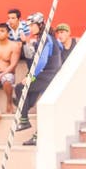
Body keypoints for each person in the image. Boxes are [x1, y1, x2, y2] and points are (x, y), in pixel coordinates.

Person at [13, 12, 62, 145]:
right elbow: (58, 48)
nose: (30, 28)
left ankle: (23, 121)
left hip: (47, 75)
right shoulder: (48, 38)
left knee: (20, 88)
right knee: (32, 102)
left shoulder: (45, 38)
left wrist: (30, 77)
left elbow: (42, 61)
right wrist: (25, 43)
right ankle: (36, 135)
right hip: (49, 75)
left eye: (32, 25)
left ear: (40, 25)